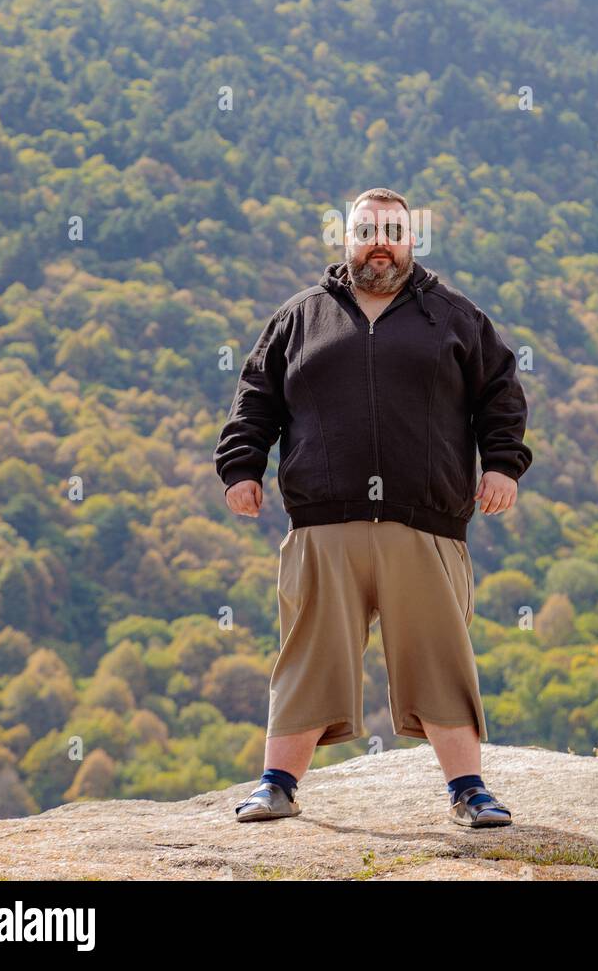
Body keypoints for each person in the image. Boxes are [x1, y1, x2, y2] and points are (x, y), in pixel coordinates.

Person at [214, 186, 532, 827]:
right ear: (347, 239)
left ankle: (469, 789)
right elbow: (257, 398)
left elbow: (500, 394)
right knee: (308, 652)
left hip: (425, 522)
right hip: (324, 525)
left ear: (413, 239)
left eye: (392, 230)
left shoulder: (454, 317)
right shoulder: (301, 317)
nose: (379, 243)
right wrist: (240, 468)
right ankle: (276, 785)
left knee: (441, 654)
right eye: (367, 231)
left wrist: (502, 465)